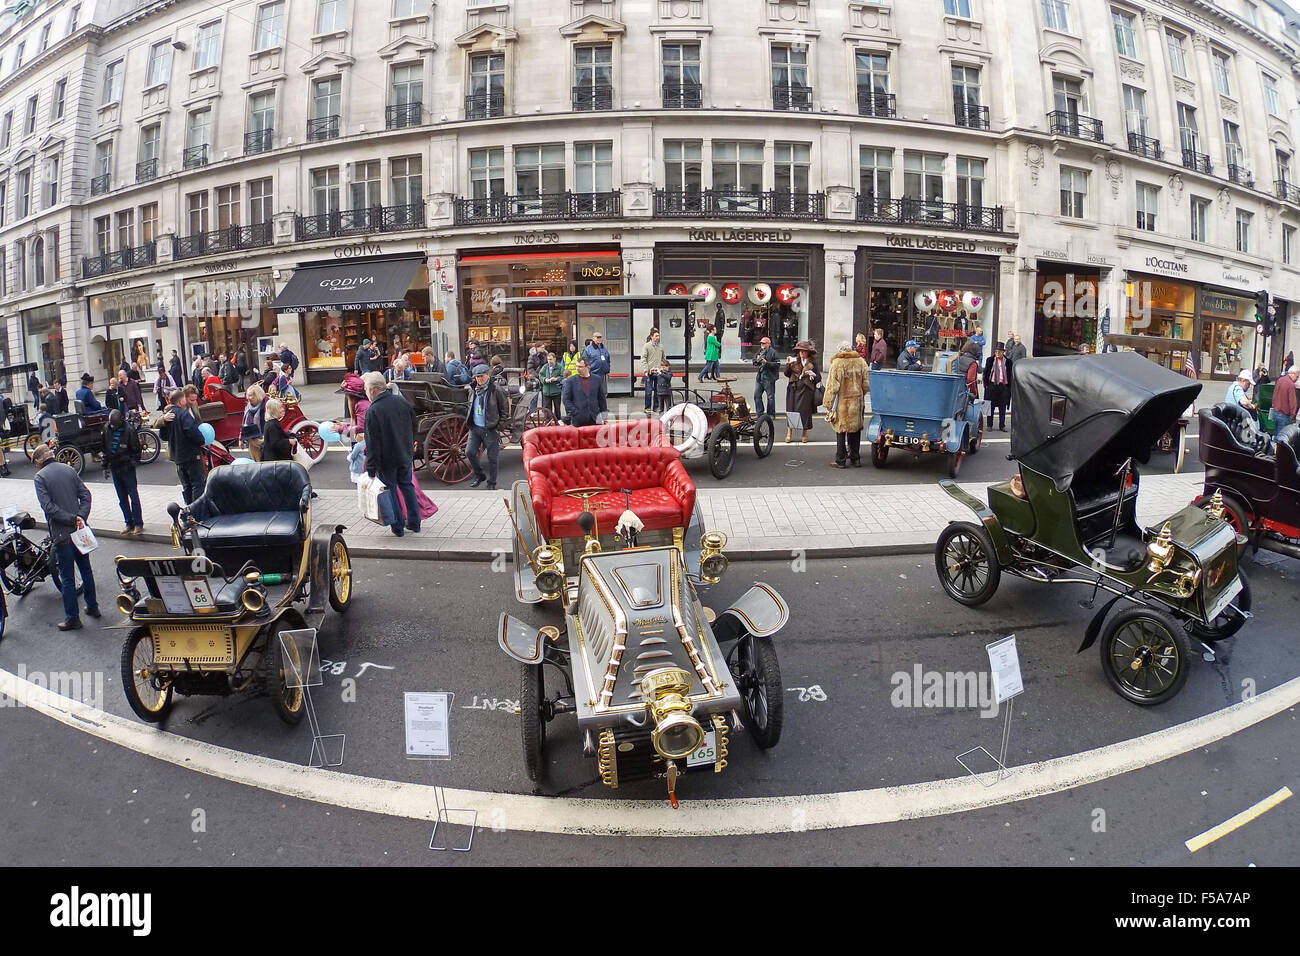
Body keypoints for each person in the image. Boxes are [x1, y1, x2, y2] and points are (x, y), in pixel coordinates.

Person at [32, 444, 100, 630]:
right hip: (79, 530)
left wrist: (71, 519)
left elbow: (49, 508)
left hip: (62, 534)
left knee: (67, 577)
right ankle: (93, 607)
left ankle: (72, 618)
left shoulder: (40, 477)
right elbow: (85, 495)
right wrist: (81, 517)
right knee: (85, 568)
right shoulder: (69, 469)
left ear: (39, 461)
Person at [363, 371, 420, 535]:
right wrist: (410, 445)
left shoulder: (373, 410)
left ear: (373, 390)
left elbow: (372, 443)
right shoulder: (401, 401)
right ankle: (415, 522)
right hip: (404, 453)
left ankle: (397, 526)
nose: (366, 392)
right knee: (407, 486)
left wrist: (371, 469)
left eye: (366, 389)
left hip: (387, 459)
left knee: (391, 489)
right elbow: (413, 425)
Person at [464, 363, 510, 491]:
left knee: (492, 458)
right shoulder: (473, 389)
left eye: (481, 376)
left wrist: (498, 427)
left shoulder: (496, 390)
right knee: (469, 452)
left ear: (488, 375)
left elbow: (504, 410)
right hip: (475, 428)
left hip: (489, 428)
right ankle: (480, 475)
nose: (479, 379)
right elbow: (470, 405)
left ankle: (492, 483)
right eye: (477, 377)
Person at [824, 341, 869, 468]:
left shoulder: (837, 363)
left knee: (841, 430)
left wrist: (828, 402)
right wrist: (860, 395)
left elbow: (832, 386)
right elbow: (866, 384)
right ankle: (856, 458)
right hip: (857, 401)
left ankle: (841, 460)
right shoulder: (861, 362)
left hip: (843, 403)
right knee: (855, 430)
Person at [160, 388, 206, 504]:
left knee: (186, 485)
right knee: (197, 483)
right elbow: (191, 430)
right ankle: (197, 512)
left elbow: (163, 436)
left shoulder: (168, 416)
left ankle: (189, 510)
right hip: (190, 455)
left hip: (178, 457)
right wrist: (201, 441)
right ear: (181, 401)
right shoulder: (183, 414)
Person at [102, 409, 143, 535]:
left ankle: (138, 523)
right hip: (115, 467)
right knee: (122, 498)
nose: (113, 426)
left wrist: (132, 463)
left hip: (127, 467)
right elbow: (105, 448)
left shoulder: (129, 430)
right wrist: (105, 466)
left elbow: (136, 449)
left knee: (133, 496)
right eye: (111, 424)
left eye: (115, 424)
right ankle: (128, 522)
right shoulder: (107, 429)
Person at [784, 340, 821, 444]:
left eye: (804, 351)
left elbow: (818, 378)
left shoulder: (812, 363)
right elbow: (786, 374)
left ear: (808, 352)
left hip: (806, 391)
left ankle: (804, 433)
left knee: (804, 412)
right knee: (791, 410)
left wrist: (812, 375)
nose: (801, 353)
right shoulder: (794, 360)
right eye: (800, 351)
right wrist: (788, 365)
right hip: (793, 389)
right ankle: (789, 433)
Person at [562, 357, 607, 427]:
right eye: (576, 366)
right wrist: (575, 412)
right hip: (578, 420)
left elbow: (602, 399)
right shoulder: (571, 381)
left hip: (594, 418)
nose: (577, 368)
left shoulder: (597, 379)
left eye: (580, 367)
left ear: (587, 367)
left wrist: (604, 416)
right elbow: (566, 400)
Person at [983, 342, 1013, 431]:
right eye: (996, 351)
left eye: (999, 352)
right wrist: (986, 386)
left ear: (1003, 352)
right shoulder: (990, 360)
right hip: (992, 386)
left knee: (1002, 407)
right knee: (990, 407)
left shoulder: (1008, 362)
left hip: (1003, 386)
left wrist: (1008, 388)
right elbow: (985, 373)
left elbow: (1010, 375)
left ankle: (1002, 425)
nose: (997, 353)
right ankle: (989, 425)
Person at [752, 335, 781, 416]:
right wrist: (757, 361)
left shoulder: (773, 352)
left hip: (769, 378)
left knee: (770, 397)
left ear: (769, 344)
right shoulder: (760, 351)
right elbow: (754, 361)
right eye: (761, 343)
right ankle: (759, 413)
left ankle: (771, 414)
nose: (762, 345)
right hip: (760, 378)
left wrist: (766, 363)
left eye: (764, 343)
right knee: (757, 396)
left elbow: (777, 364)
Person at [641, 329, 666, 412]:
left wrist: (663, 368)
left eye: (658, 336)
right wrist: (646, 370)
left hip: (658, 371)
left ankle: (656, 407)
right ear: (651, 336)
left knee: (657, 391)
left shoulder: (661, 346)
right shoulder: (646, 346)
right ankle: (647, 407)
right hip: (650, 372)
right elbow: (643, 358)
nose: (657, 337)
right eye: (656, 336)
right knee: (648, 391)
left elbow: (663, 358)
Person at [241, 384, 267, 457]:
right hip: (252, 440)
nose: (248, 398)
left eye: (250, 395)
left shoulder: (265, 406)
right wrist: (241, 439)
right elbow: (244, 423)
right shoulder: (248, 407)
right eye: (248, 396)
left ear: (257, 395)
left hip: (264, 439)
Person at [1270, 365, 1298, 434]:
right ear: (1293, 374)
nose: (1297, 379)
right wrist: (1293, 417)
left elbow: (1274, 395)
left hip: (1275, 412)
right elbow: (1293, 403)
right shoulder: (1291, 385)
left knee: (1276, 433)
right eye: (1297, 376)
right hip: (1284, 415)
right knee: (1281, 437)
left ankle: (1274, 444)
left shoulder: (1280, 380)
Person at [539, 351, 564, 420]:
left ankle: (558, 421)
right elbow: (540, 375)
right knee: (547, 410)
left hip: (556, 391)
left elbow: (562, 376)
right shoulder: (545, 367)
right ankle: (548, 422)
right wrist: (545, 379)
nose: (549, 361)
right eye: (548, 360)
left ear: (554, 359)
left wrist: (556, 379)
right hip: (546, 392)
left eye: (551, 359)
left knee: (557, 409)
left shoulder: (559, 367)